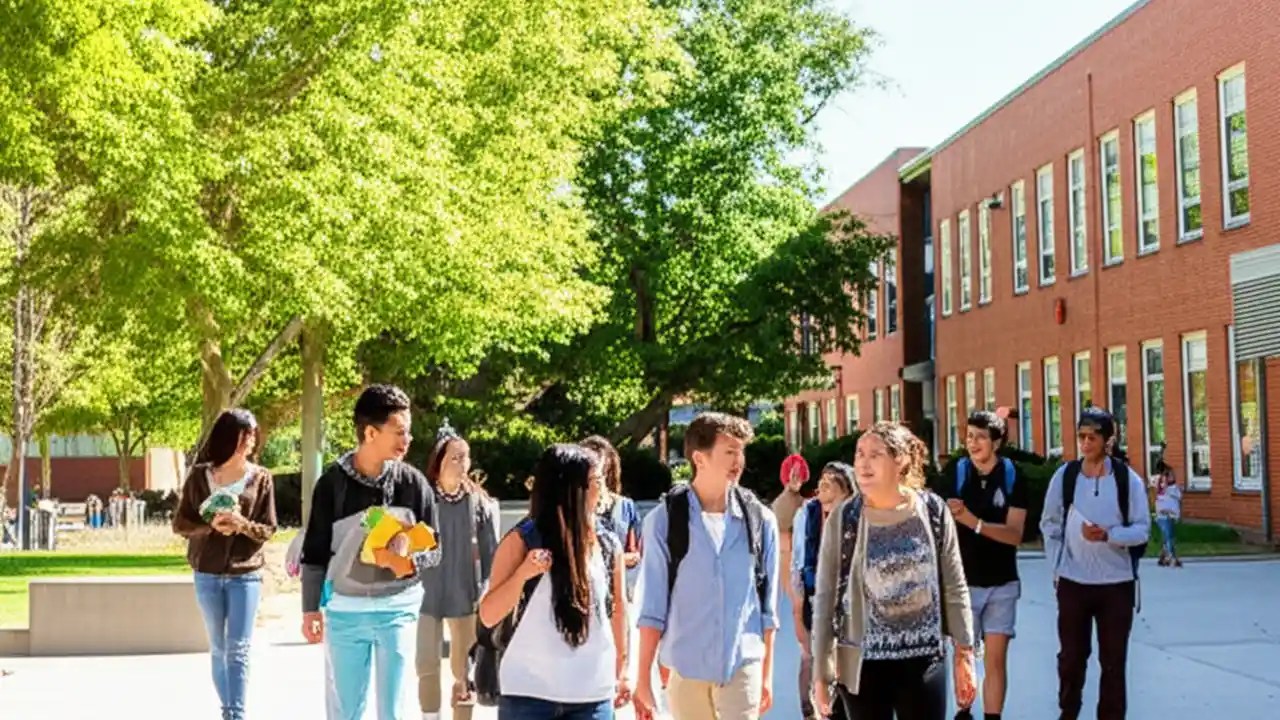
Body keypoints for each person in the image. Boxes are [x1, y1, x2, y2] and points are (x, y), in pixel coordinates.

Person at [811, 421, 976, 720]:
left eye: (875, 454)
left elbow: (955, 585)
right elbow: (825, 598)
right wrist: (821, 672)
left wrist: (965, 653)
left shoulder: (933, 511)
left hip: (924, 659)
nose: (863, 463)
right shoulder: (844, 518)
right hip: (864, 663)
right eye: (859, 454)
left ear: (900, 461)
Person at [300, 384, 443, 720]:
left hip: (399, 608)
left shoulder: (414, 483)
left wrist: (408, 556)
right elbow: (315, 552)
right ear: (369, 432)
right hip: (345, 612)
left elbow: (436, 549)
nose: (407, 440)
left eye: (408, 432)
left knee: (392, 712)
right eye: (399, 432)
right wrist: (310, 610)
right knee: (346, 712)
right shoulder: (331, 485)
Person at [634, 412, 781, 720]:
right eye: (729, 452)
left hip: (743, 665)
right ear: (699, 459)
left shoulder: (760, 520)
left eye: (741, 451)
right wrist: (642, 678)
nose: (738, 461)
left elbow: (767, 610)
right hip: (686, 669)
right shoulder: (664, 521)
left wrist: (766, 675)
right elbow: (652, 607)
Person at [478, 444, 629, 719]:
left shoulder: (607, 543)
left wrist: (623, 669)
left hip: (593, 694)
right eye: (596, 481)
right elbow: (488, 615)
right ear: (572, 489)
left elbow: (618, 608)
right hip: (528, 694)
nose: (603, 489)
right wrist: (522, 574)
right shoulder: (521, 541)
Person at [1040, 407, 1149, 720]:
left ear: (1108, 440)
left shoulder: (1128, 480)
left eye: (1092, 437)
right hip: (1073, 582)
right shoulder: (1066, 476)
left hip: (1116, 584)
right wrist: (1058, 565)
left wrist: (1110, 535)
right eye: (1081, 437)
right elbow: (1050, 523)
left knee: (1113, 661)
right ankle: (1068, 711)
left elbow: (1142, 530)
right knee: (1071, 658)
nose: (1085, 443)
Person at [173, 408, 278, 720]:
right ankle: (230, 711)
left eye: (253, 435)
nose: (251, 441)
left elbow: (269, 528)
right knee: (219, 648)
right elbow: (180, 524)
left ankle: (234, 714)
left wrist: (242, 524)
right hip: (206, 572)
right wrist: (211, 527)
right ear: (230, 437)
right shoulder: (200, 476)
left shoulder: (261, 478)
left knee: (239, 649)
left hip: (245, 574)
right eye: (246, 435)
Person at [944, 411, 1027, 720]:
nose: (973, 442)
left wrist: (974, 523)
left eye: (980, 436)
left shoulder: (1011, 475)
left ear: (997, 441)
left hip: (1002, 583)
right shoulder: (957, 472)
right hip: (962, 584)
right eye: (968, 436)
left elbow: (1015, 534)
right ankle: (963, 711)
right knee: (963, 656)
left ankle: (993, 716)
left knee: (995, 660)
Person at [417, 424, 500, 720]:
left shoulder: (478, 502)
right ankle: (431, 716)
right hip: (425, 592)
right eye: (455, 457)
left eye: (465, 457)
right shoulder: (423, 497)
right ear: (439, 460)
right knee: (426, 662)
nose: (462, 463)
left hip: (465, 592)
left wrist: (489, 588)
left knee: (463, 666)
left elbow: (491, 551)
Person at [790, 462, 857, 720]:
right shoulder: (807, 515)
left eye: (833, 480)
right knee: (810, 661)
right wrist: (797, 616)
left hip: (850, 607)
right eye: (822, 478)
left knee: (844, 670)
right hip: (814, 600)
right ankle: (810, 713)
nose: (824, 483)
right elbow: (796, 567)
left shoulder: (857, 515)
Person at [581, 435, 642, 601]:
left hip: (618, 594)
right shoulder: (572, 509)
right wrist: (620, 560)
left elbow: (636, 555)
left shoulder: (626, 507)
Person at [1151, 460, 1182, 568]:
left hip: (1171, 514)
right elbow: (1157, 499)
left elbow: (1178, 499)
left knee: (1167, 536)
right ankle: (1172, 557)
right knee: (1169, 536)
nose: (1171, 477)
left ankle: (1163, 557)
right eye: (1169, 475)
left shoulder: (1173, 489)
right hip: (1164, 514)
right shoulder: (1159, 487)